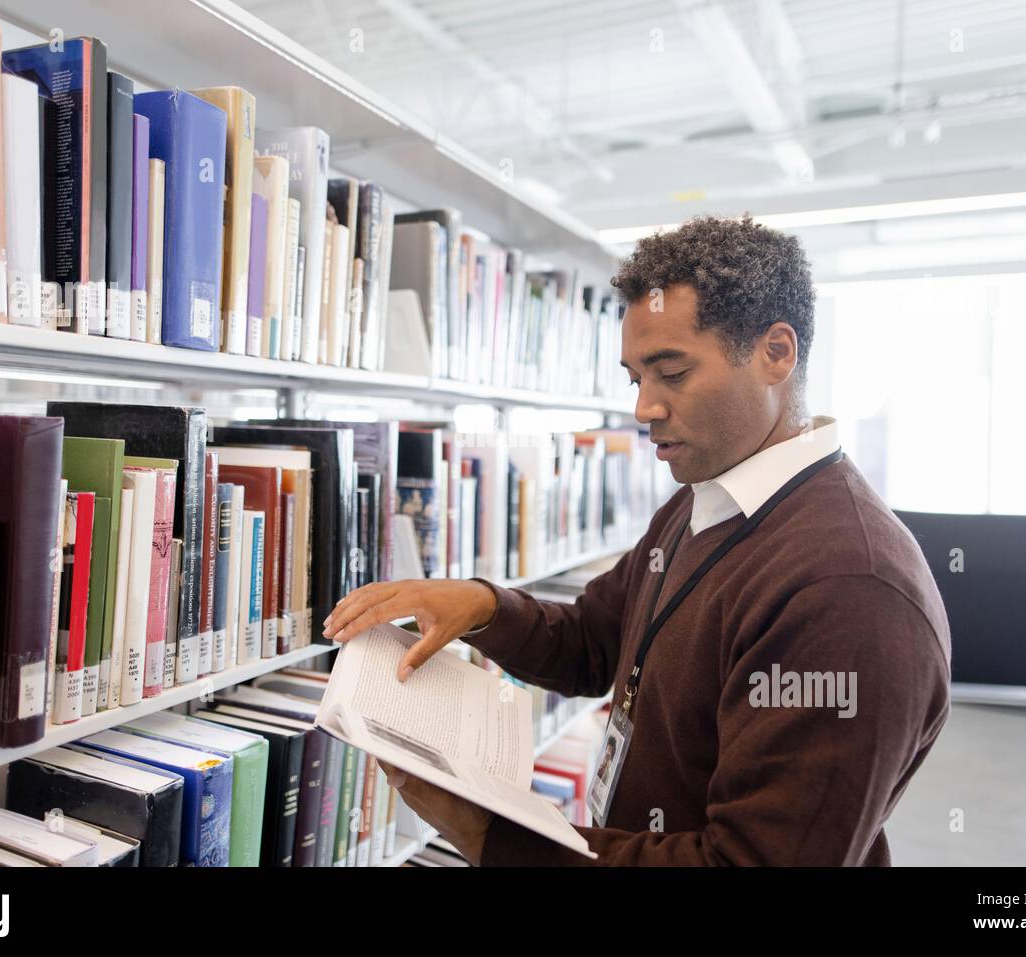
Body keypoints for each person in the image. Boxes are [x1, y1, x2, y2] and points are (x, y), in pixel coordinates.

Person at [324, 215, 951, 866]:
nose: (644, 407)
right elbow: (599, 639)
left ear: (776, 353)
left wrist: (493, 837)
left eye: (671, 372)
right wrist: (481, 606)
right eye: (635, 378)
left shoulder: (848, 587)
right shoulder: (704, 500)